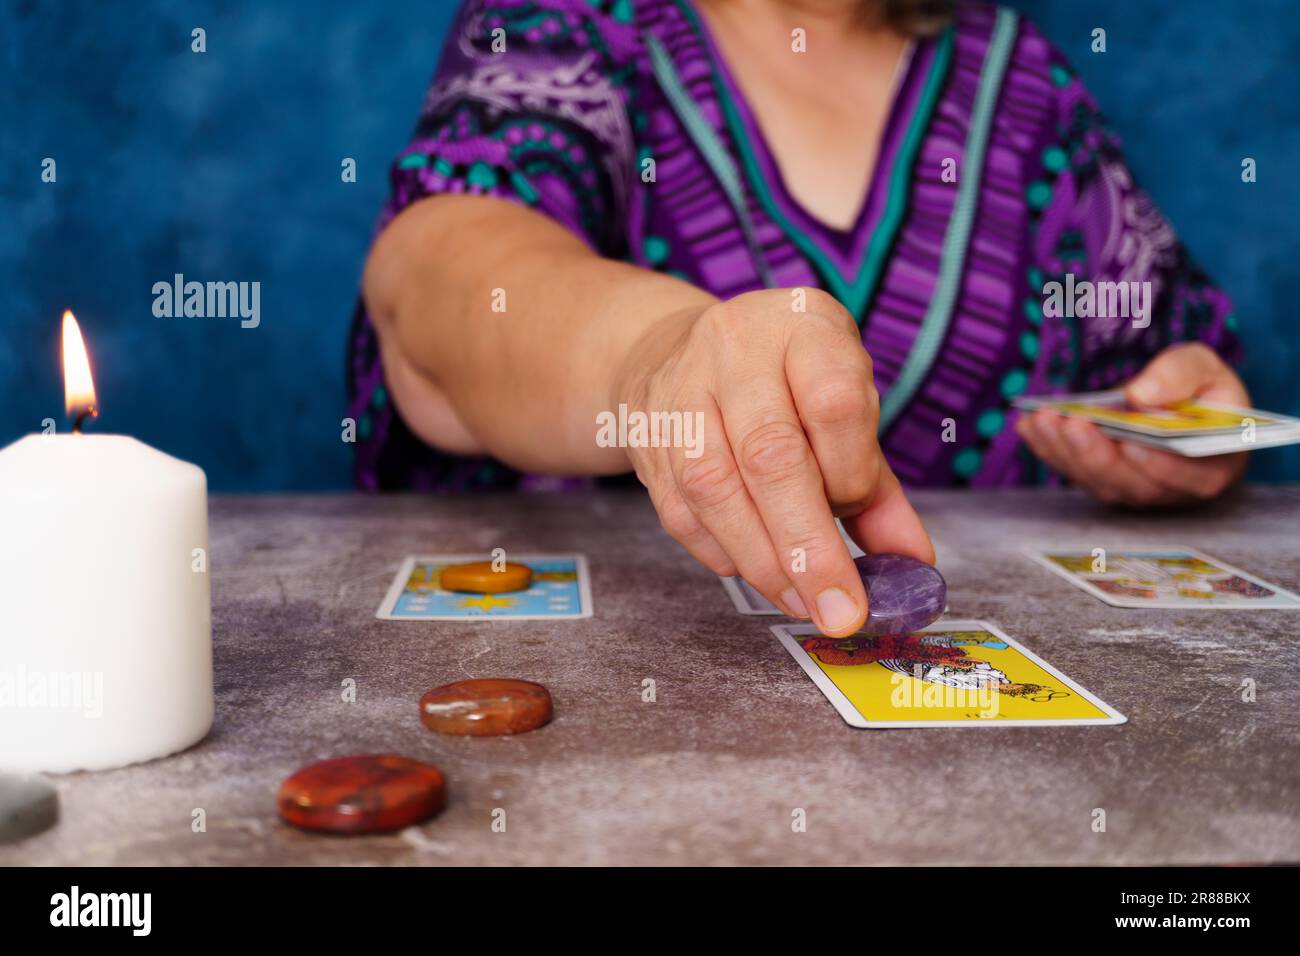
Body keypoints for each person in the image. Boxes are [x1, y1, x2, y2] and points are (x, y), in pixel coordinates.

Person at [348, 0, 1249, 638]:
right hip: (647, 733)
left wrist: (1187, 420)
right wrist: (660, 357)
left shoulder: (1019, 74)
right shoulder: (566, 25)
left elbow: (1155, 342)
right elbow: (435, 281)